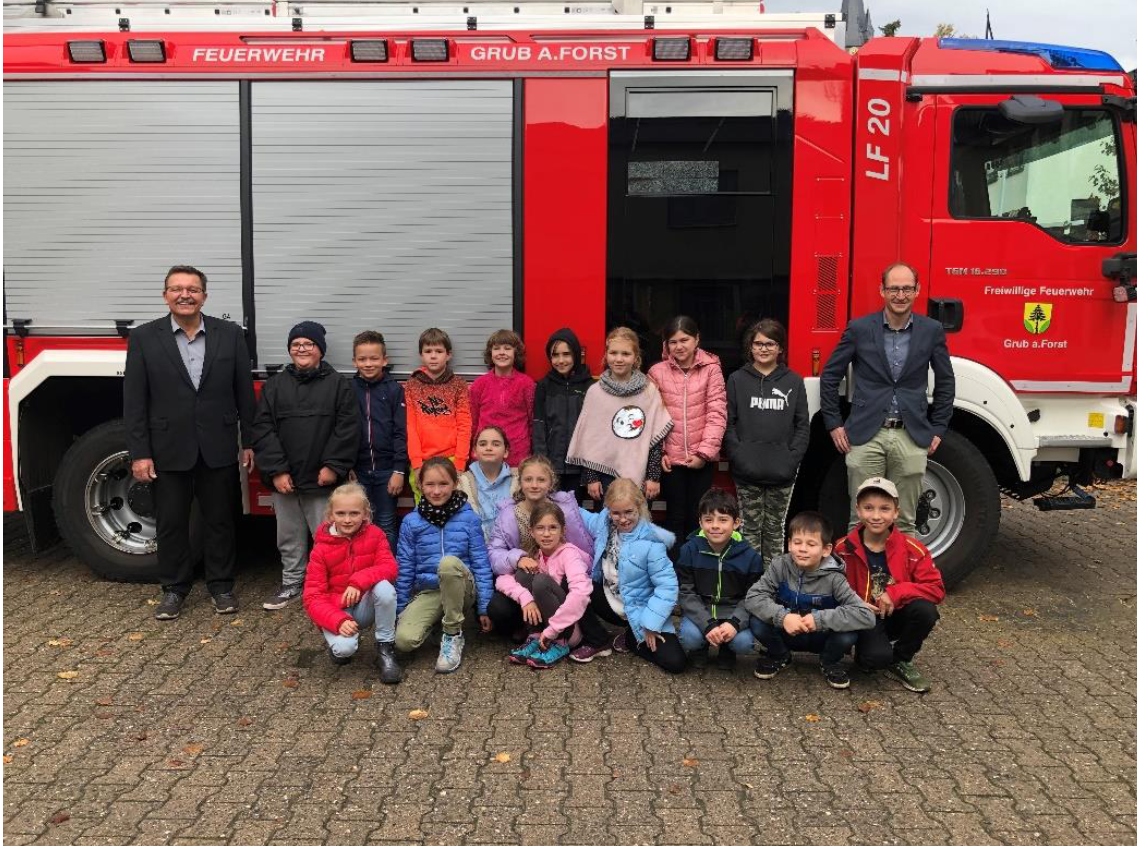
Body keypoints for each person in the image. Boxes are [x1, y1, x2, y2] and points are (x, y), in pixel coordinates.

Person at [124, 265, 256, 621]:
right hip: (168, 448)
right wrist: (140, 453)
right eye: (177, 288)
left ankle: (221, 587)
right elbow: (135, 402)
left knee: (220, 521)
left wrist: (249, 442)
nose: (185, 295)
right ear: (165, 295)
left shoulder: (229, 335)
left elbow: (244, 393)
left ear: (204, 296)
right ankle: (174, 589)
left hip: (218, 445)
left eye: (193, 289)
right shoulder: (144, 338)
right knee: (171, 523)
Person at [819, 262, 955, 534]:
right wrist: (834, 424)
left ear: (917, 291)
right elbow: (830, 376)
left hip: (911, 435)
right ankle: (859, 578)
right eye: (894, 288)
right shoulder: (859, 329)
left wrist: (938, 427)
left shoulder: (931, 331)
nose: (900, 295)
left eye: (906, 289)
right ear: (882, 290)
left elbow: (946, 381)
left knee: (904, 522)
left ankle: (901, 578)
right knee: (860, 520)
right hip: (865, 435)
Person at [253, 321, 359, 611]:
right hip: (285, 480)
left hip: (322, 478)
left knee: (329, 538)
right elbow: (263, 429)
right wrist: (277, 470)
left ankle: (331, 587)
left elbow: (347, 428)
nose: (301, 349)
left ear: (320, 350)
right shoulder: (274, 387)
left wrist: (333, 467)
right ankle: (292, 582)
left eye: (308, 344)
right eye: (296, 344)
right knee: (288, 537)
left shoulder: (338, 385)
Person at [834, 477, 945, 694]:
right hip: (863, 615)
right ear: (858, 510)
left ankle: (902, 659)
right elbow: (829, 586)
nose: (876, 516)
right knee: (874, 660)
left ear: (896, 512)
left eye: (884, 509)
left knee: (926, 611)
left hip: (897, 612)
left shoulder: (913, 549)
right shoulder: (842, 548)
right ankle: (866, 652)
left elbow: (936, 588)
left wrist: (895, 593)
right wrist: (856, 605)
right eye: (869, 508)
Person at [744, 511, 875, 689]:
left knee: (849, 633)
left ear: (826, 550)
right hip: (787, 631)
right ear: (789, 544)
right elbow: (753, 597)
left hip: (821, 637)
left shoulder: (835, 578)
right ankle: (780, 655)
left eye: (811, 544)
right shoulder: (779, 566)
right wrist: (783, 617)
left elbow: (866, 615)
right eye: (797, 542)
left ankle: (829, 661)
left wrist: (819, 620)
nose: (803, 549)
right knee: (757, 622)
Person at [570, 479, 687, 674]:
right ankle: (598, 639)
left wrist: (651, 624)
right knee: (575, 582)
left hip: (641, 610)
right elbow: (577, 516)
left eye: (628, 512)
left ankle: (632, 638)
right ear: (608, 510)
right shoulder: (604, 524)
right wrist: (552, 499)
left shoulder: (652, 543)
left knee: (676, 662)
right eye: (616, 513)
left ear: (639, 507)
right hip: (610, 602)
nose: (622, 519)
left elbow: (667, 587)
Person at [394, 457, 493, 674]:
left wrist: (484, 606)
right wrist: (400, 609)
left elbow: (481, 562)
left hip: (463, 588)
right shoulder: (411, 522)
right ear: (420, 485)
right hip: (430, 590)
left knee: (448, 564)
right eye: (430, 484)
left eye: (443, 484)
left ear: (455, 484)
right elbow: (405, 568)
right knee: (404, 641)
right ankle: (437, 623)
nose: (436, 491)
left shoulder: (469, 518)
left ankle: (452, 633)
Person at [723, 319, 810, 562]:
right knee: (749, 529)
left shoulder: (793, 381)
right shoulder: (737, 380)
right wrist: (738, 456)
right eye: (758, 343)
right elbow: (727, 424)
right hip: (746, 470)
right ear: (750, 347)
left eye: (770, 343)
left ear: (780, 348)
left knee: (774, 531)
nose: (763, 349)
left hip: (782, 470)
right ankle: (750, 585)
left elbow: (802, 425)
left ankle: (770, 584)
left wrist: (791, 459)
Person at [485, 455, 596, 639]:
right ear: (520, 482)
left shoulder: (565, 508)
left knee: (566, 586)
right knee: (498, 609)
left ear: (551, 482)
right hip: (522, 579)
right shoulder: (508, 515)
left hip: (557, 578)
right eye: (528, 479)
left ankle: (564, 631)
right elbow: (494, 553)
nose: (534, 485)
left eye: (541, 479)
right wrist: (517, 558)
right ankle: (531, 627)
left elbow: (591, 527)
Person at [301, 483, 402, 684]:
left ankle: (385, 648)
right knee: (344, 648)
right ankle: (339, 649)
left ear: (365, 513)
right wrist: (338, 620)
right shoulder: (321, 549)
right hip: (337, 609)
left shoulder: (376, 534)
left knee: (385, 588)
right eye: (341, 513)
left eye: (354, 513)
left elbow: (390, 567)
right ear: (331, 515)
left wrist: (358, 582)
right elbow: (312, 597)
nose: (347, 520)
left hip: (364, 604)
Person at [565, 327, 673, 502]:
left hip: (641, 474)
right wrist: (592, 478)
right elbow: (590, 440)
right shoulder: (595, 392)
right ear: (606, 355)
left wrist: (653, 477)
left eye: (626, 354)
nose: (619, 359)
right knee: (609, 524)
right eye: (613, 353)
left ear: (636, 358)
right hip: (605, 473)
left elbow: (655, 436)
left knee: (638, 523)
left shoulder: (649, 391)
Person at [647, 316, 727, 541]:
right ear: (666, 344)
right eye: (673, 342)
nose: (679, 346)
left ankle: (693, 570)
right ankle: (673, 570)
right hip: (670, 461)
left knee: (698, 516)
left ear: (697, 339)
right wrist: (660, 451)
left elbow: (717, 413)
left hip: (701, 458)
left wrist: (704, 453)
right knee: (674, 516)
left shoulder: (711, 369)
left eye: (685, 340)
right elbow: (652, 416)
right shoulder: (656, 372)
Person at [676, 488, 764, 671]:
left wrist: (734, 623)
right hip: (701, 610)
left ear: (736, 523)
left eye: (723, 520)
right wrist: (707, 624)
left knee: (743, 643)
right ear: (700, 522)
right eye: (708, 520)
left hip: (732, 612)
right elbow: (686, 592)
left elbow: (753, 597)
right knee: (689, 638)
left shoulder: (750, 557)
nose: (715, 526)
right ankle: (699, 649)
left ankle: (727, 649)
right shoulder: (689, 551)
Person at [498, 500, 594, 669]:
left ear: (563, 530)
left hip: (567, 629)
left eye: (553, 528)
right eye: (540, 528)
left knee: (541, 581)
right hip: (546, 628)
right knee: (523, 573)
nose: (546, 534)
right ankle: (535, 636)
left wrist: (553, 630)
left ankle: (560, 643)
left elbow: (581, 593)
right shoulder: (535, 555)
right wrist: (525, 599)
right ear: (532, 532)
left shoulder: (569, 554)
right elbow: (502, 579)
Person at [350, 330, 407, 552]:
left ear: (385, 360)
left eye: (374, 358)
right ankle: (362, 572)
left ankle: (387, 575)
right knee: (358, 524)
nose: (368, 363)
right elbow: (343, 431)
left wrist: (399, 470)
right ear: (354, 361)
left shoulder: (394, 390)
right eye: (362, 359)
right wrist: (348, 466)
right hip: (358, 471)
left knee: (386, 525)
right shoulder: (348, 389)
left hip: (387, 471)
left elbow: (401, 432)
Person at [404, 328, 472, 500]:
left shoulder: (458, 385)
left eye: (439, 351)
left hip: (451, 458)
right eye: (428, 351)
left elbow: (465, 425)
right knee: (424, 512)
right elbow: (410, 426)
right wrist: (416, 463)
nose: (433, 356)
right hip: (422, 461)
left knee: (452, 511)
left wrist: (460, 462)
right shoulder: (412, 385)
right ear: (421, 355)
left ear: (448, 355)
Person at [532, 328, 594, 496]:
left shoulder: (589, 386)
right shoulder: (544, 386)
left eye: (566, 354)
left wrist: (589, 469)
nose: (561, 360)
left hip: (579, 467)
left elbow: (593, 430)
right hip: (552, 466)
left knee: (574, 513)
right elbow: (539, 427)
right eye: (555, 355)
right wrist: (542, 464)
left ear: (575, 354)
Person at [469, 330, 536, 469]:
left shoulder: (527, 384)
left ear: (515, 353)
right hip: (485, 457)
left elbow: (532, 423)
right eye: (496, 348)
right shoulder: (479, 384)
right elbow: (473, 423)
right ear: (490, 353)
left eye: (507, 348)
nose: (501, 352)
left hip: (518, 457)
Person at [457, 425, 519, 542]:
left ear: (506, 452)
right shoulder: (462, 482)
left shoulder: (518, 480)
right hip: (475, 549)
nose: (489, 448)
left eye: (496, 444)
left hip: (509, 549)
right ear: (474, 452)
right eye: (483, 444)